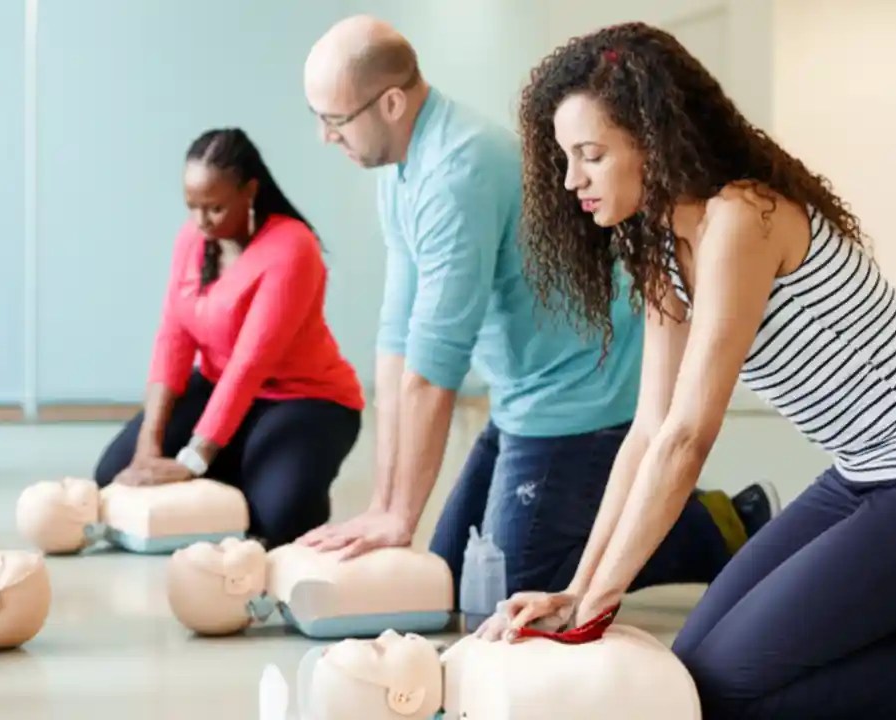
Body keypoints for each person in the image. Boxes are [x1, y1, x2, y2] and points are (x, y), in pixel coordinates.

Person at [483, 21, 896, 719]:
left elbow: (687, 437)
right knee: (695, 667)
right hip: (866, 472)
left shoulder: (741, 217)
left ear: (651, 140)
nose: (571, 181)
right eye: (565, 158)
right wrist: (577, 590)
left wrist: (595, 610)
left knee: (728, 685)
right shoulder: (656, 244)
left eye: (589, 155)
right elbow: (648, 431)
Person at [296, 15, 774, 603]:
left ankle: (720, 526)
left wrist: (398, 522)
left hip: (578, 394)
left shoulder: (456, 170)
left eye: (334, 120)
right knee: (454, 575)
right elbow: (400, 338)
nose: (326, 136)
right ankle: (622, 507)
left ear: (390, 103)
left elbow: (436, 364)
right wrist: (384, 507)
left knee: (503, 588)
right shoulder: (400, 172)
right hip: (522, 396)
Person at [93, 127, 365, 548]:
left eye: (215, 208)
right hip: (222, 388)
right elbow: (173, 338)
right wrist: (151, 441)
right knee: (115, 473)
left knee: (281, 516)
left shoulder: (293, 246)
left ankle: (250, 469)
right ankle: (240, 464)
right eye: (192, 208)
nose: (201, 222)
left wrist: (194, 457)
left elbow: (249, 363)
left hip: (306, 399)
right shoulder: (193, 238)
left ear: (249, 191)